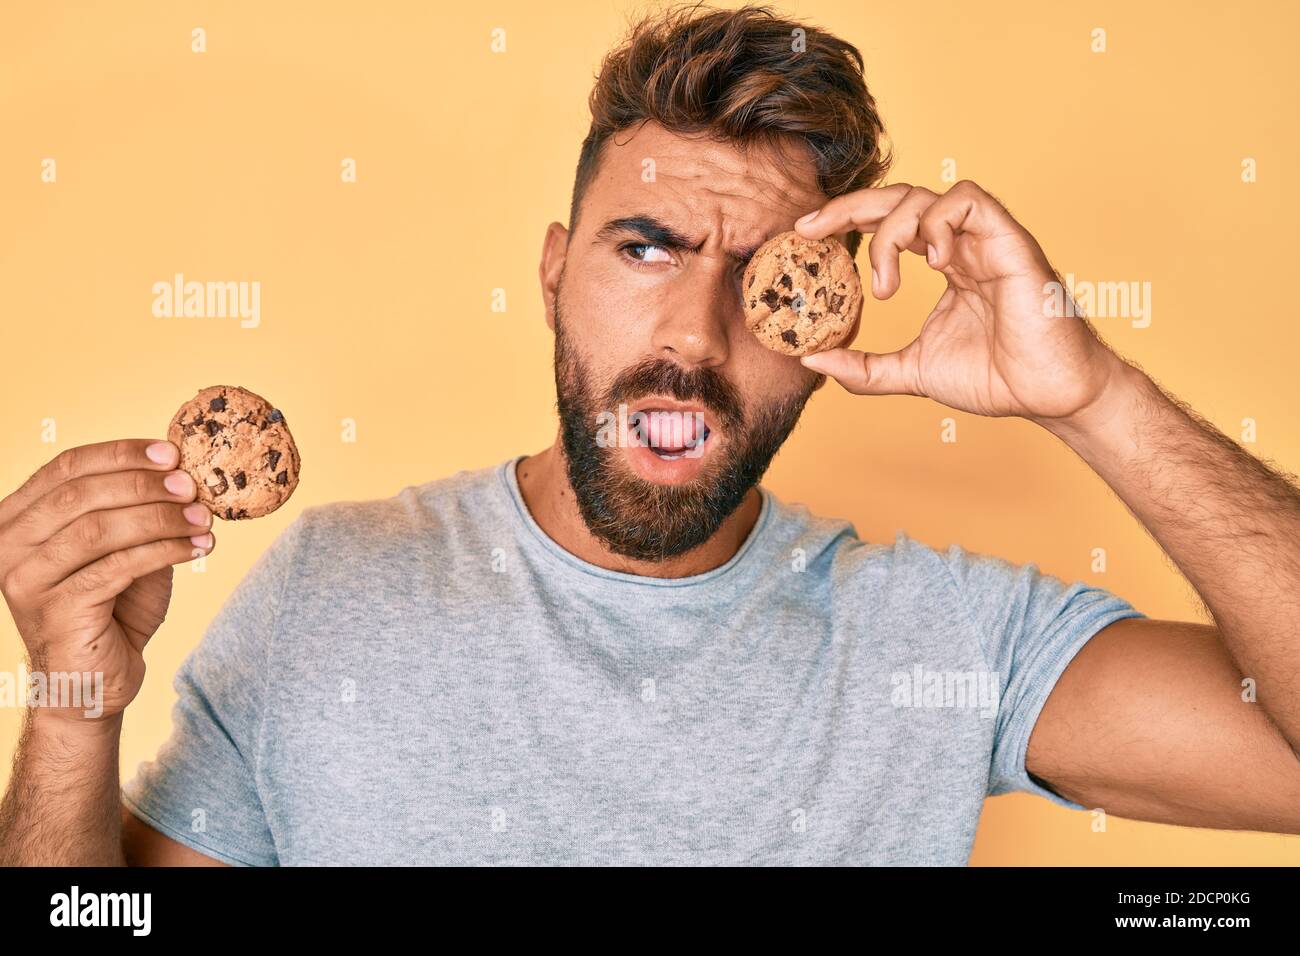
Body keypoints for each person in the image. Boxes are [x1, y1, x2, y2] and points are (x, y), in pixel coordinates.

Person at [2, 4, 1298, 866]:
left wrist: (1091, 394)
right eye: (648, 248)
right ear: (558, 273)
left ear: (830, 321)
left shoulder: (946, 645)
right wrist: (71, 707)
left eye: (765, 274)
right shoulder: (326, 596)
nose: (696, 327)